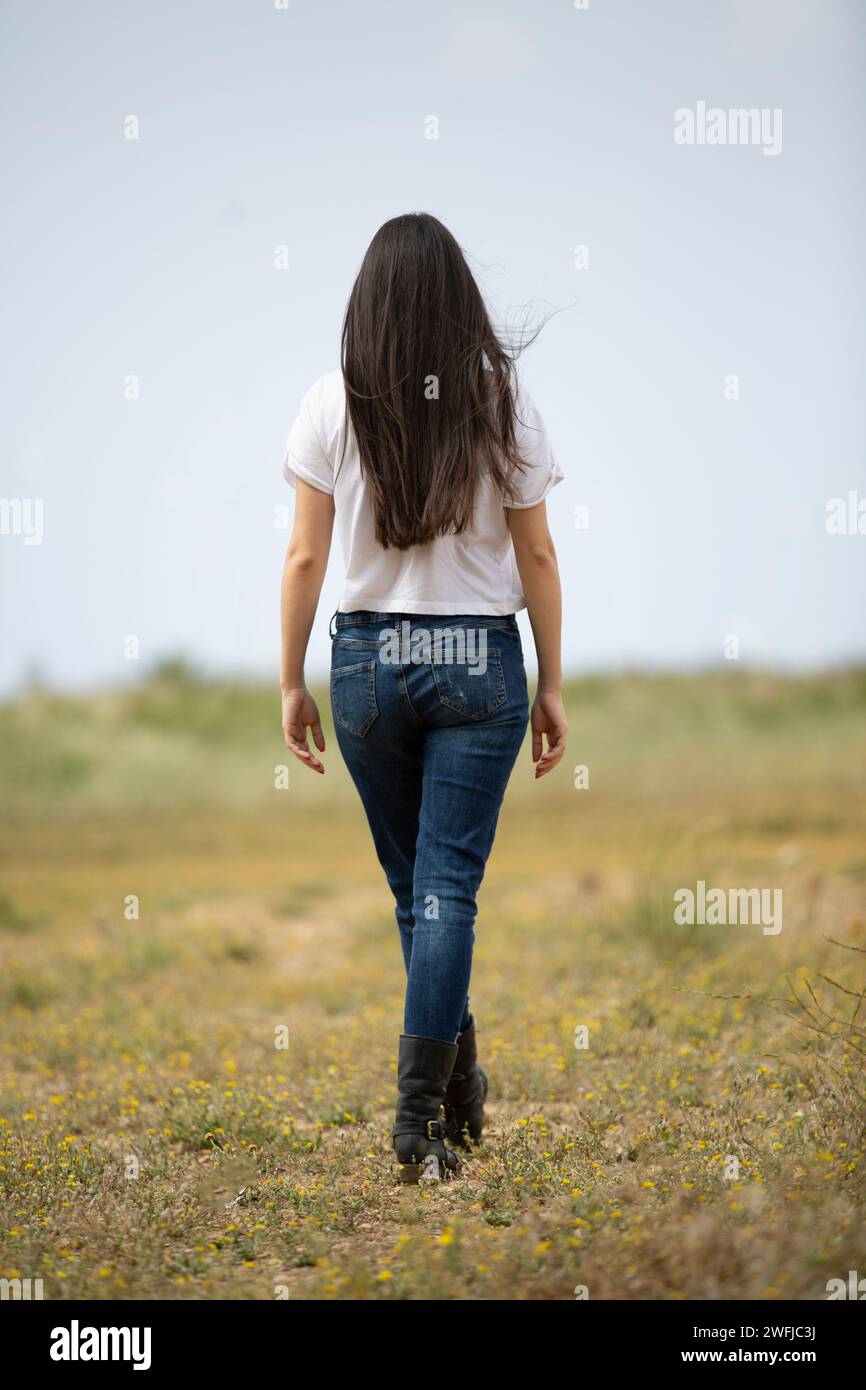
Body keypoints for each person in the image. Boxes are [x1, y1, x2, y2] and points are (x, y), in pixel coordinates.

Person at [279, 212, 568, 1181]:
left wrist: (289, 678)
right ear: (461, 304)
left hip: (366, 662)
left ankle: (441, 1105)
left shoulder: (329, 404)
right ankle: (435, 1111)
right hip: (477, 659)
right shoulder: (501, 403)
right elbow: (535, 553)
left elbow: (305, 555)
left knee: (420, 894)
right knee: (442, 894)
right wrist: (552, 680)